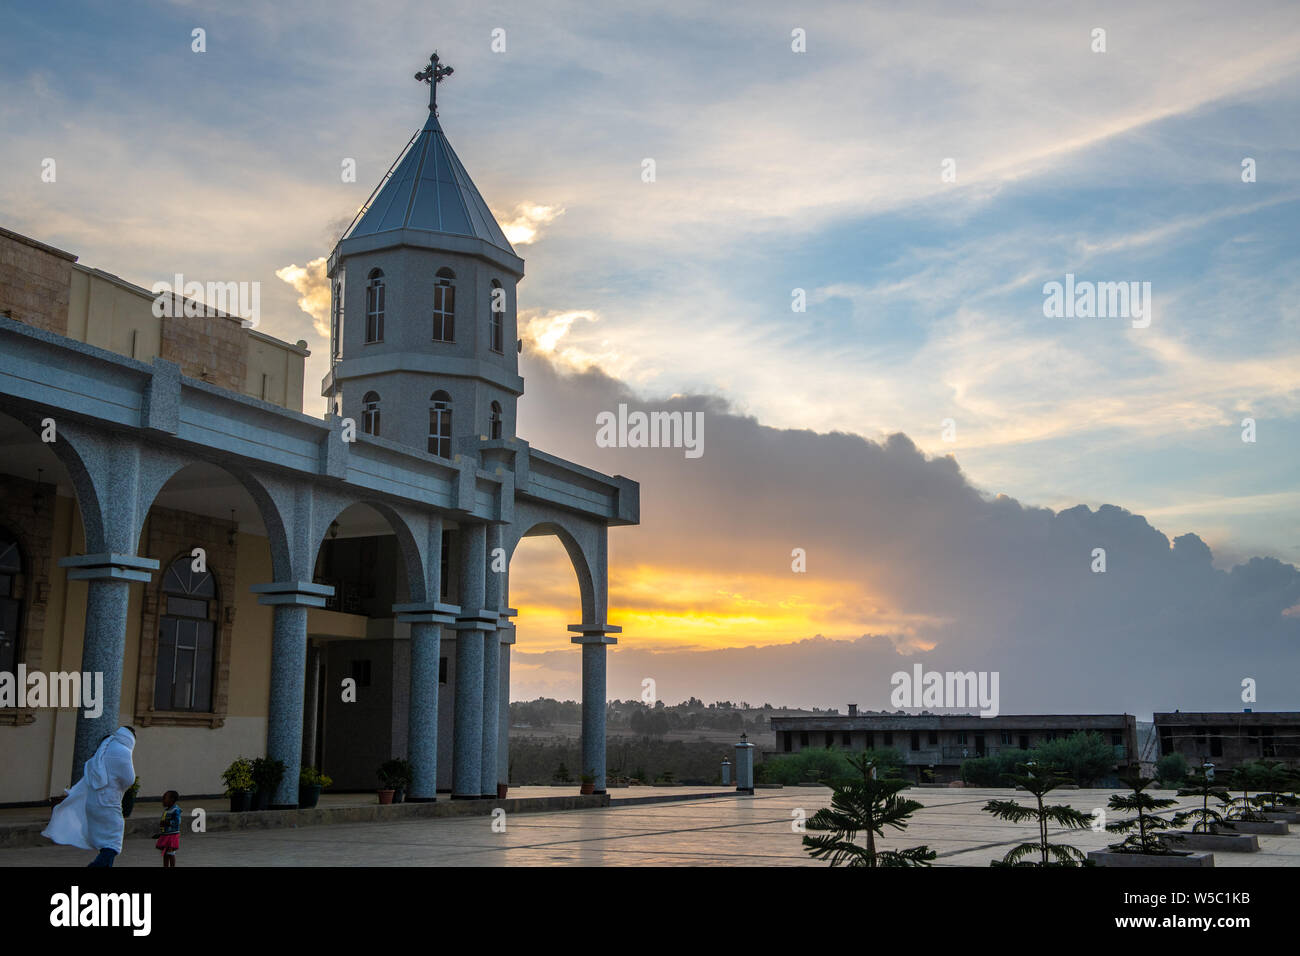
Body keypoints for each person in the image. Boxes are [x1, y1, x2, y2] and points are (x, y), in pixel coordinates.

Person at [42, 726, 137, 867]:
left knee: (107, 844)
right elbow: (129, 779)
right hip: (109, 803)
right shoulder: (122, 751)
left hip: (93, 803)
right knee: (113, 843)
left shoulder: (103, 750)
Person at [155, 790, 181, 867]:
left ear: (172, 799)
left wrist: (168, 823)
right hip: (166, 834)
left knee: (170, 852)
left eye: (164, 798)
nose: (162, 800)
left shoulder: (175, 810)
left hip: (172, 835)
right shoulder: (167, 810)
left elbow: (177, 821)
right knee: (165, 853)